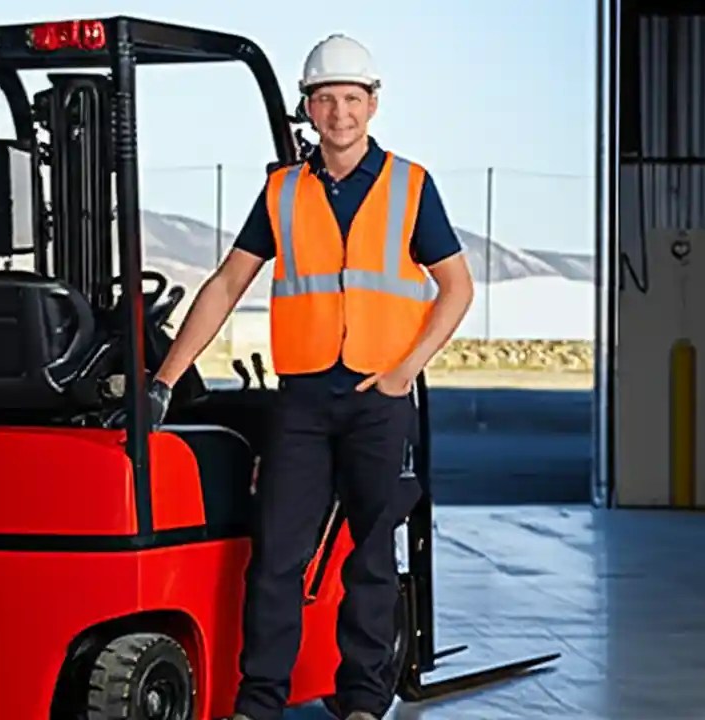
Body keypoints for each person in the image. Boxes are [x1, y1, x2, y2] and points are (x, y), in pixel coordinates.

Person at [144, 33, 474, 720]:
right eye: (326, 100)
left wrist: (403, 372)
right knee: (276, 560)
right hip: (301, 404)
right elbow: (228, 282)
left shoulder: (411, 186)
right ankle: (257, 703)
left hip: (378, 402)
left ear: (373, 104)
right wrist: (165, 379)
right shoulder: (283, 191)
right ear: (309, 109)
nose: (340, 113)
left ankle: (360, 701)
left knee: (369, 560)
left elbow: (457, 288)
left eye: (352, 98)